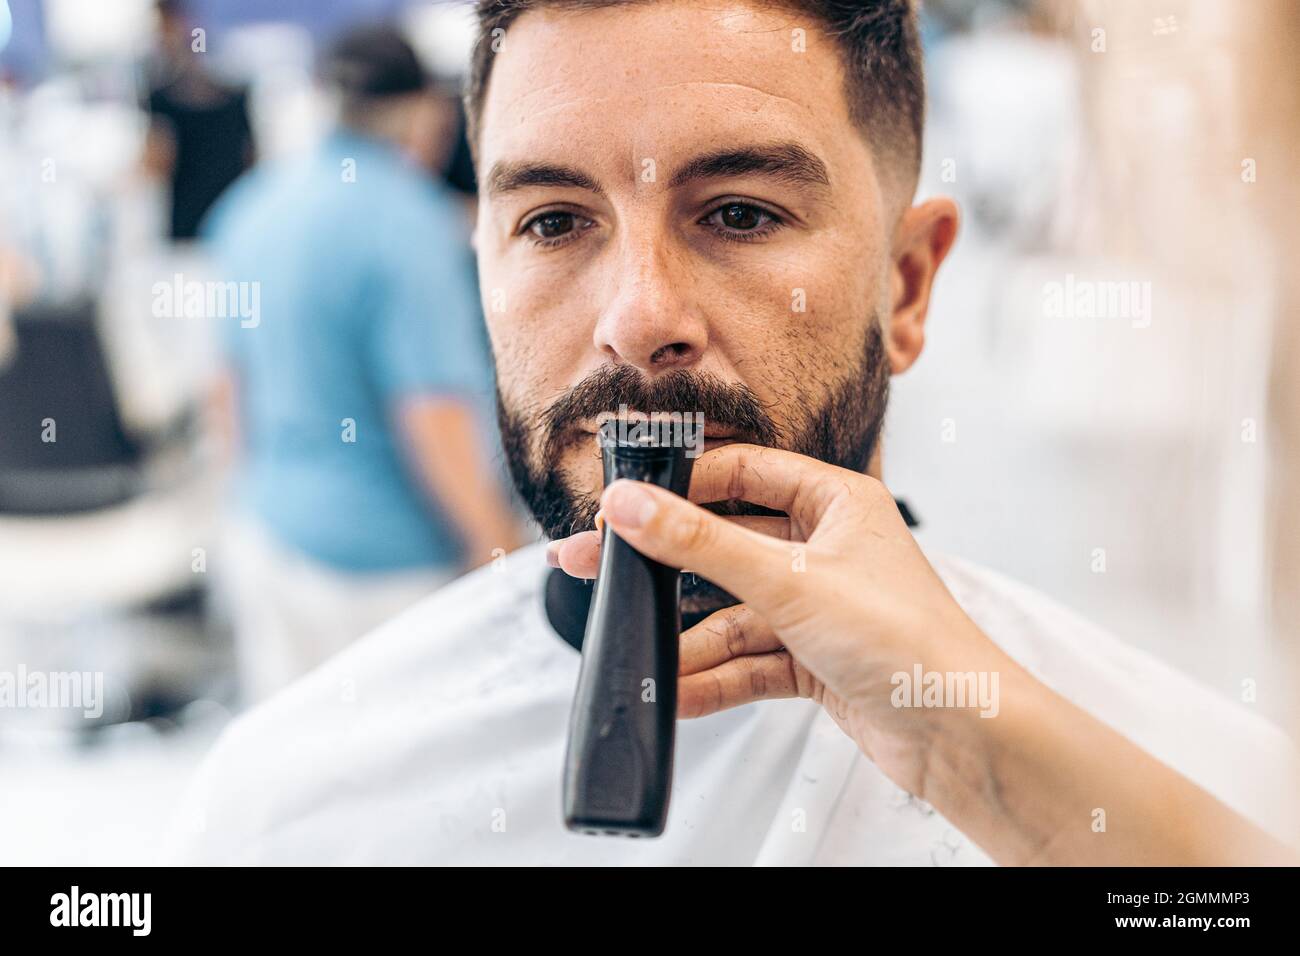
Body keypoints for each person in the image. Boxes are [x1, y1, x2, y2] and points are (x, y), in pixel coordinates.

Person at [171, 0, 1296, 864]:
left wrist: (987, 765)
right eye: (554, 222)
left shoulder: (1197, 797)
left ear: (905, 287)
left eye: (741, 213)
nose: (636, 321)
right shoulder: (288, 803)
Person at [205, 24, 524, 702]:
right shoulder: (409, 227)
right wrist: (494, 546)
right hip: (386, 571)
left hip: (269, 536)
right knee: (405, 787)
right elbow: (431, 413)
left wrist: (241, 507)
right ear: (430, 114)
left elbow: (228, 389)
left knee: (296, 764)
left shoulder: (252, 205)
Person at [142, 0, 255, 242]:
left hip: (189, 232)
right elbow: (252, 160)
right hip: (233, 226)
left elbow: (156, 163)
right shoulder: (236, 93)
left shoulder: (162, 98)